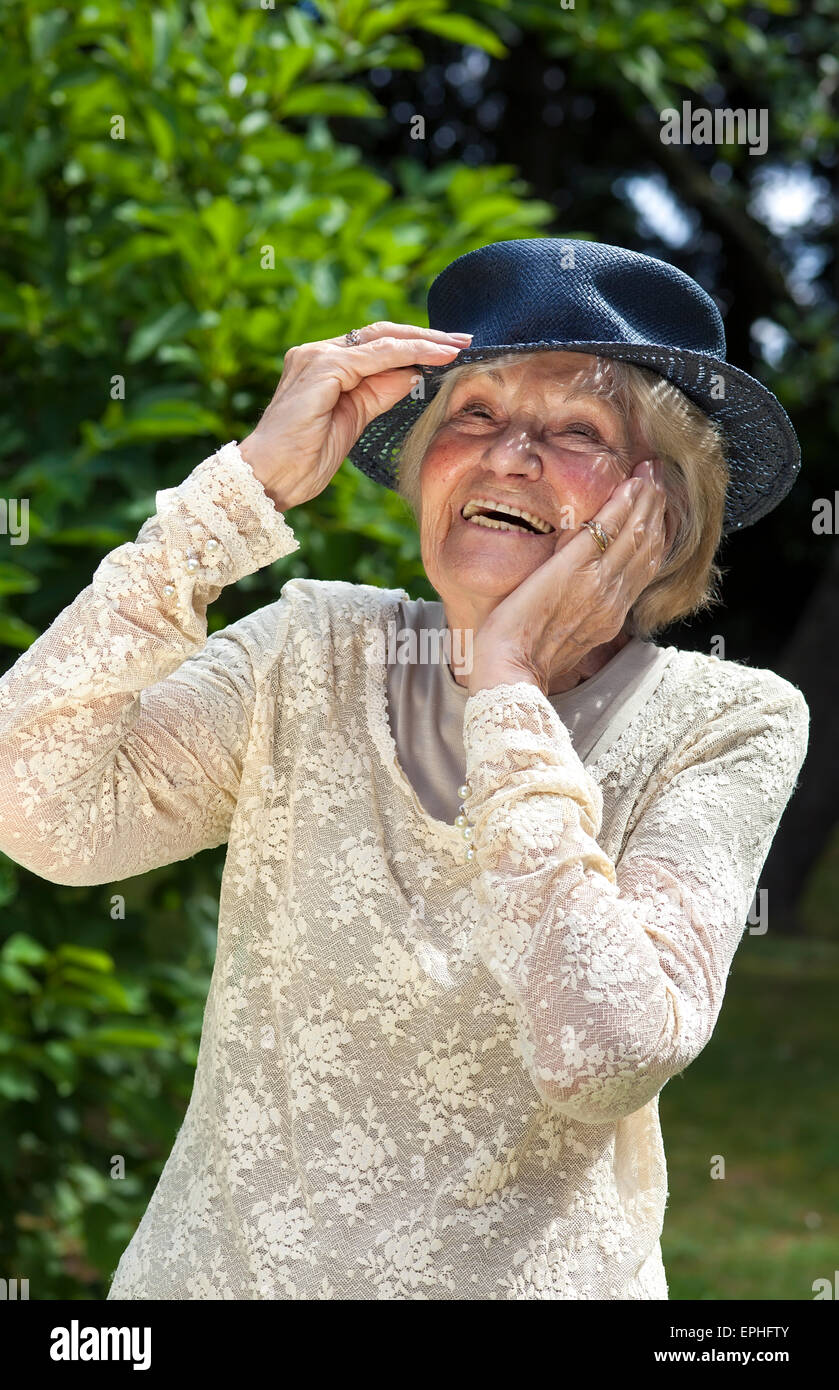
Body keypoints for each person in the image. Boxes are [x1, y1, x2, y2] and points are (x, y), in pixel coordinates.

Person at [0, 238, 809, 1300]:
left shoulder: (727, 718)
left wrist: (508, 682)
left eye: (574, 429)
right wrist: (235, 494)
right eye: (470, 415)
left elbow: (603, 1051)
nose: (507, 454)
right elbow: (41, 808)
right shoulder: (309, 651)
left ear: (657, 511)